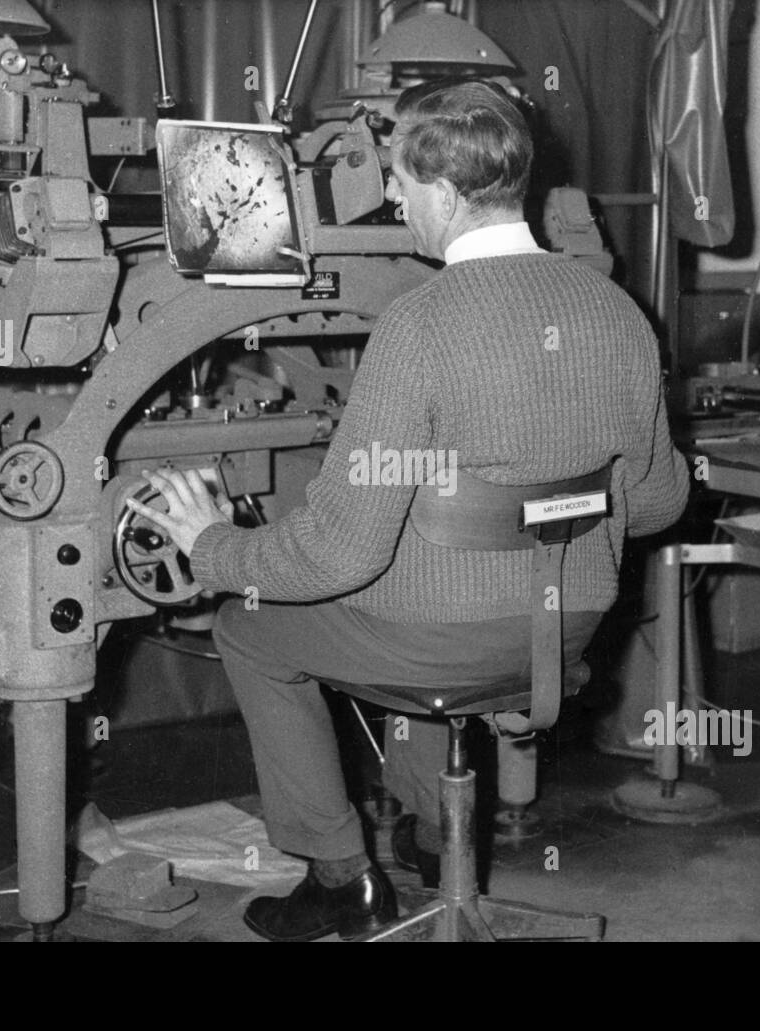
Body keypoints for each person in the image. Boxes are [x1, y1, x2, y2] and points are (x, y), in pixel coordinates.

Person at [127, 78, 689, 942]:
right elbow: (653, 505)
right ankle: (436, 839)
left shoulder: (418, 324)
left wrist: (212, 547)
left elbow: (335, 558)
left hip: (440, 643)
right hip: (565, 629)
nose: (390, 195)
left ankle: (339, 874)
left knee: (249, 628)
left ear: (444, 190)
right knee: (412, 590)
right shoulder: (618, 310)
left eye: (396, 177)